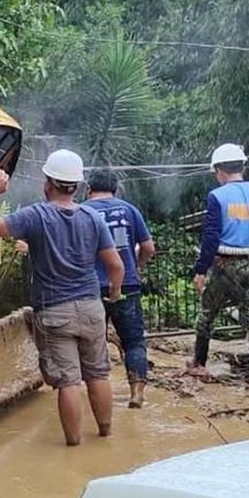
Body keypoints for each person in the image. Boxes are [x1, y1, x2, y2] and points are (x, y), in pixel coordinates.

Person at [0, 149, 125, 446]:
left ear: (48, 183)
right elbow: (116, 266)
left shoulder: (36, 216)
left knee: (68, 381)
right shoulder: (92, 217)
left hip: (55, 311)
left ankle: (73, 445)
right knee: (98, 373)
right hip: (91, 308)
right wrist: (114, 293)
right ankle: (106, 436)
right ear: (77, 186)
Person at [187, 143, 249, 390]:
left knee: (207, 313)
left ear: (219, 169)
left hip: (224, 264)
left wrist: (200, 270)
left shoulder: (217, 196)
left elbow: (211, 236)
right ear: (242, 165)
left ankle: (198, 363)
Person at [84, 169, 156, 408]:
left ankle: (95, 395)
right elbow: (148, 248)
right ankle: (137, 393)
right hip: (127, 285)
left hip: (90, 288)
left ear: (89, 188)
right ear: (116, 189)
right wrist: (135, 266)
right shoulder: (129, 210)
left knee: (92, 343)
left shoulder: (82, 211)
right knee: (134, 341)